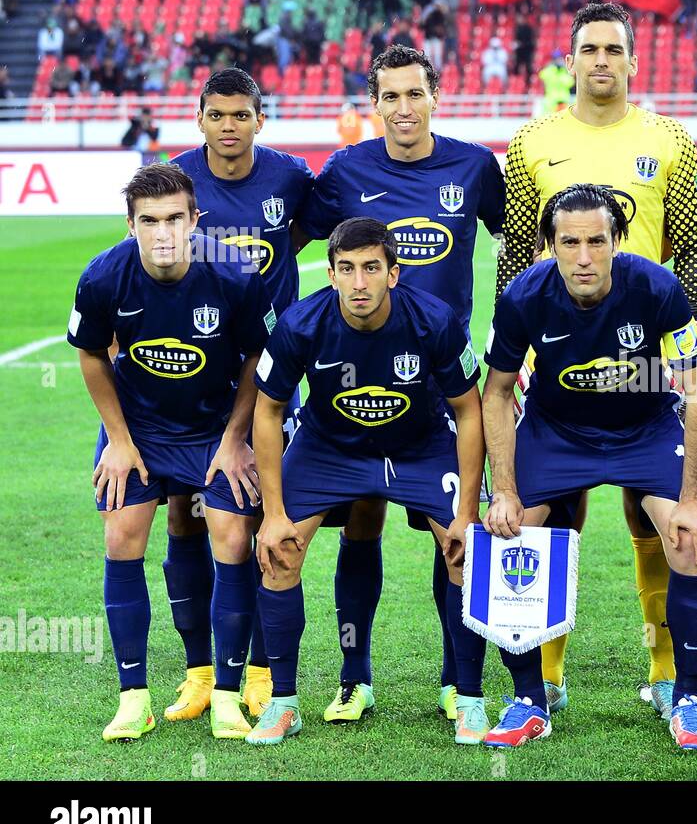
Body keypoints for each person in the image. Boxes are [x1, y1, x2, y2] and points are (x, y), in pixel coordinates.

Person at [495, 3, 697, 716]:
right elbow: (518, 253)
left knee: (655, 519)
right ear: (571, 57)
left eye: (613, 49)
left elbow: (690, 242)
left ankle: (664, 674)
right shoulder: (532, 139)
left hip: (649, 348)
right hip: (561, 349)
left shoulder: (668, 137)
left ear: (631, 59)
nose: (600, 61)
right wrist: (522, 342)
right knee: (555, 516)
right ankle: (544, 680)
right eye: (588, 48)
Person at [296, 44, 505, 724]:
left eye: (415, 94)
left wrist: (518, 345)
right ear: (375, 103)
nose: (404, 108)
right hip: (355, 383)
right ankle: (355, 675)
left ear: (436, 96)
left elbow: (522, 248)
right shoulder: (348, 169)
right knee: (362, 518)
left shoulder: (474, 165)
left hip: (444, 387)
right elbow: (294, 241)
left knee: (456, 532)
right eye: (390, 96)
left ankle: (455, 677)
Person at [481, 184, 697, 749]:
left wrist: (691, 497)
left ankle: (686, 697)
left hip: (645, 426)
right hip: (556, 430)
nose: (584, 257)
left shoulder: (658, 286)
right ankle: (529, 699)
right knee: (510, 536)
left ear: (617, 241)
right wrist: (506, 491)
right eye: (569, 243)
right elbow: (494, 394)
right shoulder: (522, 297)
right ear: (549, 246)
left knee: (687, 538)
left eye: (596, 241)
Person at [248, 218, 485, 745]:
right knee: (280, 549)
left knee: (463, 551)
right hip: (330, 446)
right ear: (330, 274)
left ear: (394, 274)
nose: (359, 283)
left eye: (371, 268)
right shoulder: (299, 323)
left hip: (419, 446)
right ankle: (285, 703)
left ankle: (468, 695)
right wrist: (273, 513)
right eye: (347, 269)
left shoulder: (434, 321)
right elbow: (267, 413)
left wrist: (467, 514)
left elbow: (469, 413)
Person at [68, 164, 275, 742]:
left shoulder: (235, 274)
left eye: (175, 219)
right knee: (121, 534)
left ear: (195, 220)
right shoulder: (103, 277)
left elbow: (260, 359)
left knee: (233, 536)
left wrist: (236, 440)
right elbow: (90, 355)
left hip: (214, 428)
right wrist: (117, 439)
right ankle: (134, 697)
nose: (163, 234)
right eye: (149, 221)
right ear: (130, 224)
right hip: (140, 428)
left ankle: (228, 696)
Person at [168, 68, 314, 721]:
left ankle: (258, 668)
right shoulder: (173, 179)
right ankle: (199, 670)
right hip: (192, 374)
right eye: (217, 114)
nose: (229, 125)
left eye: (241, 114)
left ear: (262, 117)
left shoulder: (288, 178)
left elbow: (307, 235)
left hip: (269, 374)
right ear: (199, 118)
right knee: (184, 513)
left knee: (255, 514)